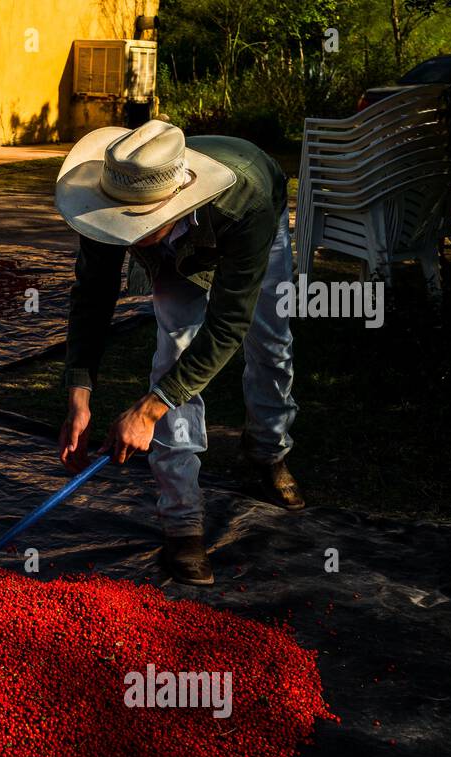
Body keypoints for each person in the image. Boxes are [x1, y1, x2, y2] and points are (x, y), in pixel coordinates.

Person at [55, 120, 304, 586]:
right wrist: (79, 395)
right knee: (174, 353)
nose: (119, 234)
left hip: (251, 229)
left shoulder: (245, 201)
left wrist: (146, 412)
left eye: (134, 228)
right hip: (177, 251)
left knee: (270, 345)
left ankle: (269, 450)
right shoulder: (110, 194)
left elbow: (230, 324)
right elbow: (92, 295)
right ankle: (182, 521)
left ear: (171, 206)